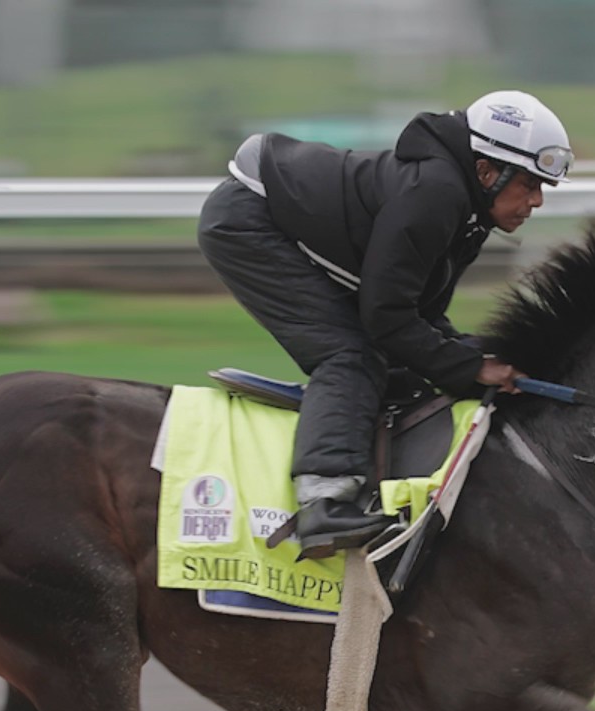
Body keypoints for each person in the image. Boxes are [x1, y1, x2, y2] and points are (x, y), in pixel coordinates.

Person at [196, 89, 574, 560]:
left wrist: (479, 359)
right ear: (486, 172)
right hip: (250, 218)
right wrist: (472, 369)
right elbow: (387, 318)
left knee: (399, 365)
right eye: (529, 185)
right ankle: (323, 502)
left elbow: (423, 317)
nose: (536, 201)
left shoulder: (469, 214)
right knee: (350, 355)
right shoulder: (435, 195)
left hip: (278, 211)